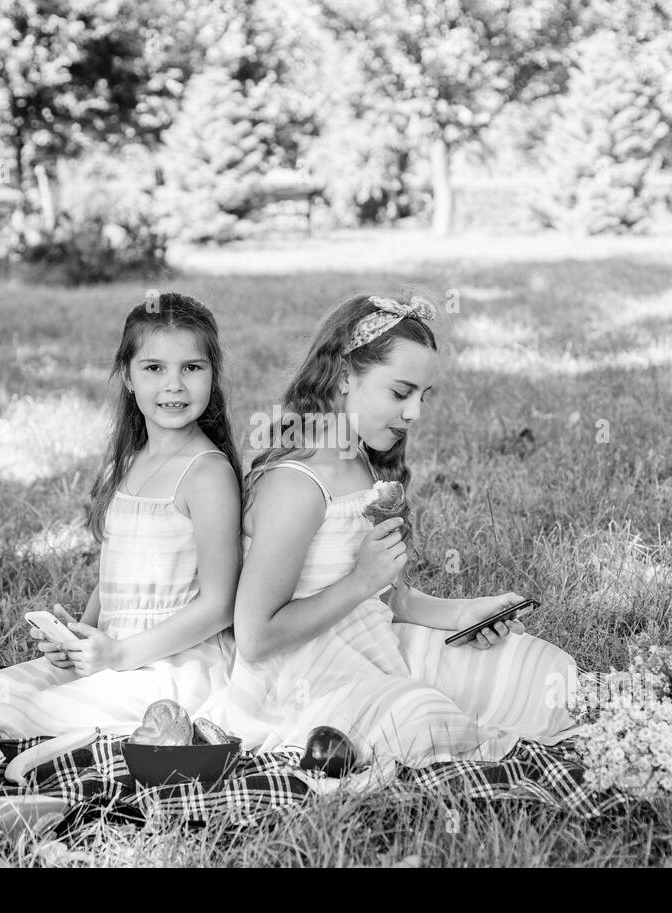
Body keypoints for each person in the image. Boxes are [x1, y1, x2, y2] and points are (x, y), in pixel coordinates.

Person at [217, 293, 581, 772]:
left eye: (423, 396)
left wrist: (466, 614)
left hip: (377, 653)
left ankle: (456, 718)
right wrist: (359, 582)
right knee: (423, 720)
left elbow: (391, 600)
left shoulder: (362, 464)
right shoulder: (297, 486)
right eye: (400, 392)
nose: (415, 413)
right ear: (345, 375)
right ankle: (446, 730)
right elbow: (256, 637)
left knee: (550, 673)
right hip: (302, 686)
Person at [0, 292, 242, 737]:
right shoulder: (127, 462)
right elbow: (114, 574)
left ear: (212, 378)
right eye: (154, 368)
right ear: (128, 377)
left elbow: (220, 605)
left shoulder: (207, 475)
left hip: (173, 665)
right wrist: (83, 638)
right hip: (112, 655)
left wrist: (118, 654)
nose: (174, 384)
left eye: (192, 368)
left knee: (38, 715)